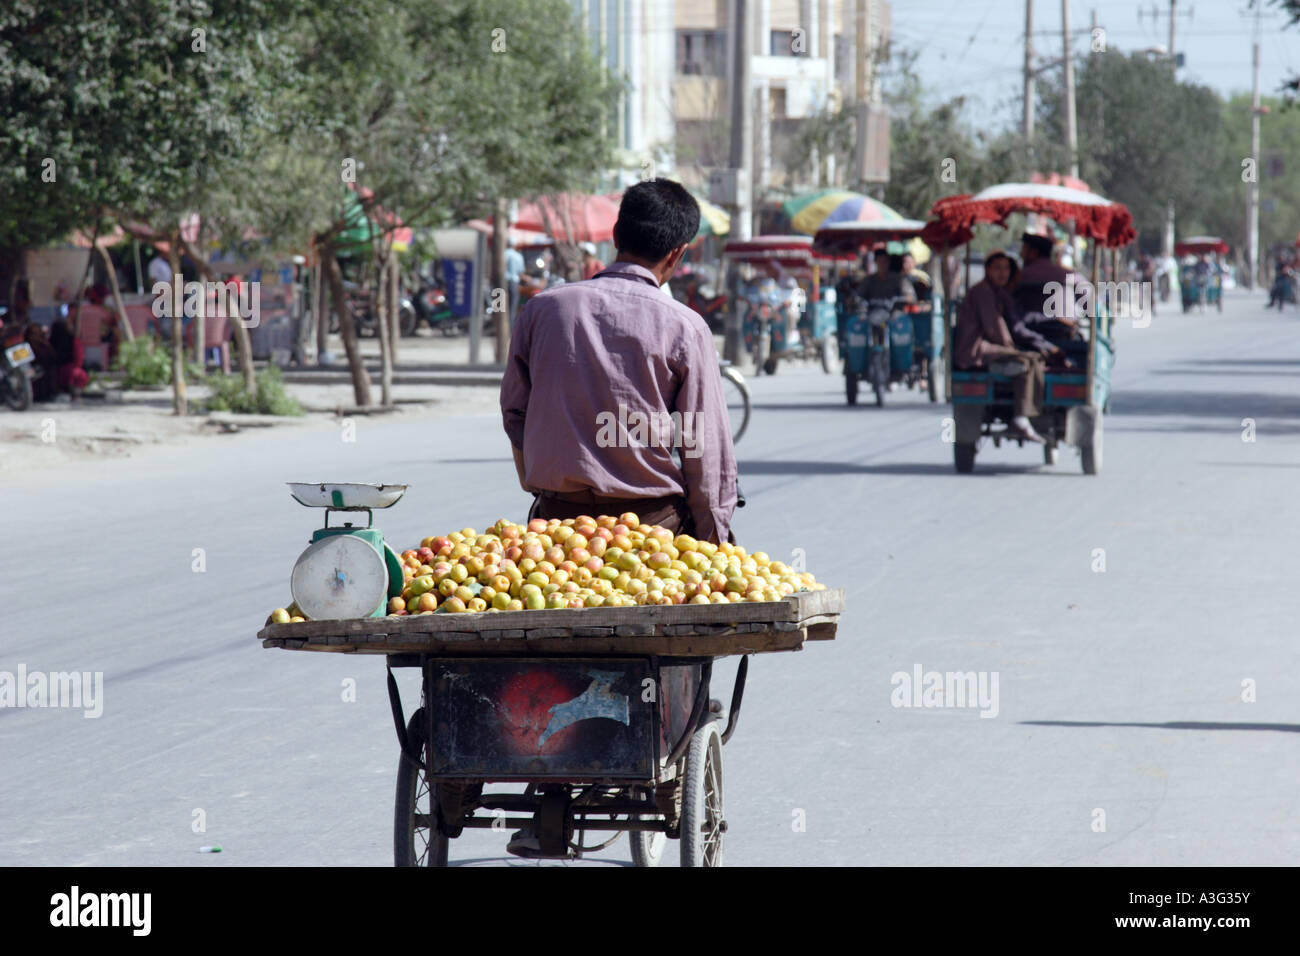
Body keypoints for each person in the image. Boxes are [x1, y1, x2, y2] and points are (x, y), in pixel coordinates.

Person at [500, 177, 737, 543]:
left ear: (615, 236)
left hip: (557, 530)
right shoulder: (686, 327)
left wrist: (542, 485)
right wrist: (713, 541)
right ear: (677, 253)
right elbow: (702, 447)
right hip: (652, 530)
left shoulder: (541, 310)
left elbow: (515, 413)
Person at [953, 252, 1046, 443]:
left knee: (1032, 357)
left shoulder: (998, 292)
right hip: (975, 349)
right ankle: (1021, 417)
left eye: (1006, 269)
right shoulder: (983, 292)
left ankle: (1023, 416)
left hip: (987, 347)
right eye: (997, 268)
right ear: (988, 270)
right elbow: (994, 327)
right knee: (1029, 359)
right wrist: (1013, 350)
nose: (1002, 273)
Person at [504, 239, 524, 330]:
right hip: (513, 283)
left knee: (499, 307)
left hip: (500, 284)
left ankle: (498, 328)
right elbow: (520, 271)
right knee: (512, 307)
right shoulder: (518, 256)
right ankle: (510, 329)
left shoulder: (501, 254)